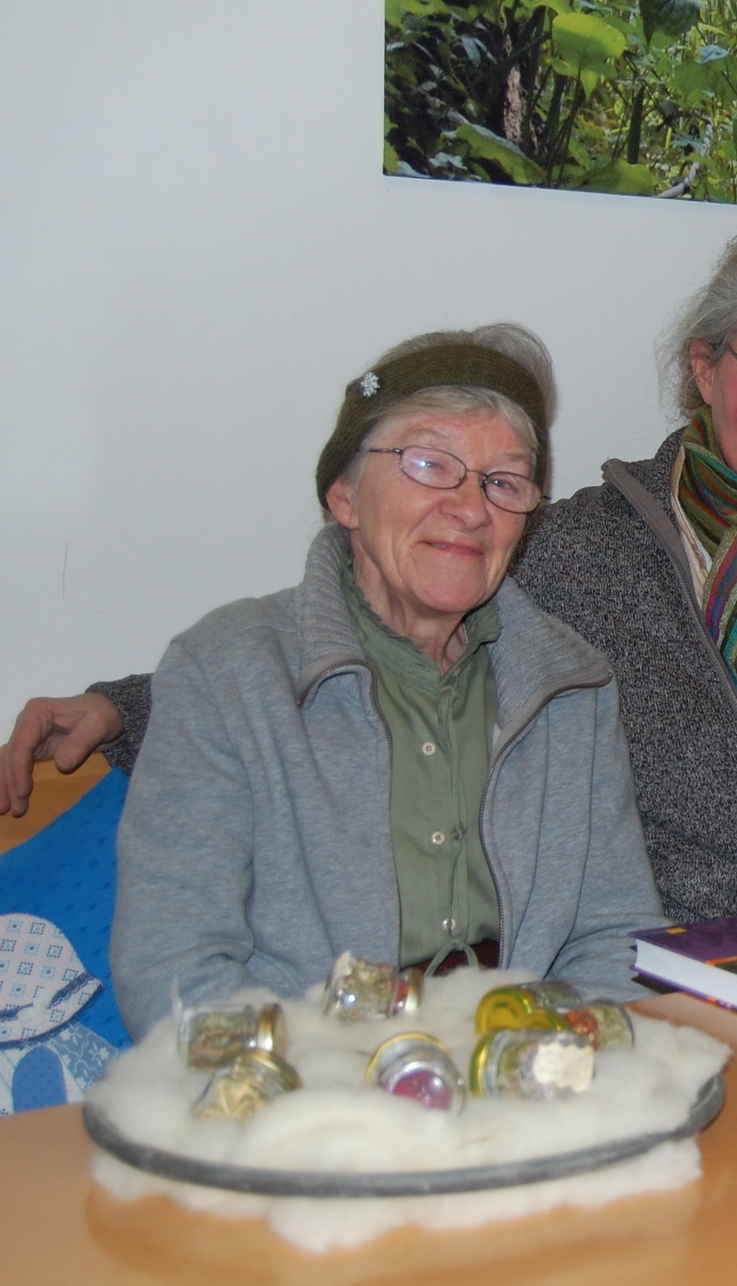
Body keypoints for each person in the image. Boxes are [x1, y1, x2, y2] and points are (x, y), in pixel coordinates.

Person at [0, 217, 737, 932]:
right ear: (704, 371)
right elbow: (379, 639)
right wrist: (124, 708)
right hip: (644, 984)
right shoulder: (577, 550)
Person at [112, 328, 665, 1037]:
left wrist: (539, 1068)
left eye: (504, 481)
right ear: (343, 495)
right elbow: (174, 972)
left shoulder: (571, 683)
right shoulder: (226, 673)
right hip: (302, 1096)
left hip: (524, 1075)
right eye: (430, 464)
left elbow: (616, 939)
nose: (470, 509)